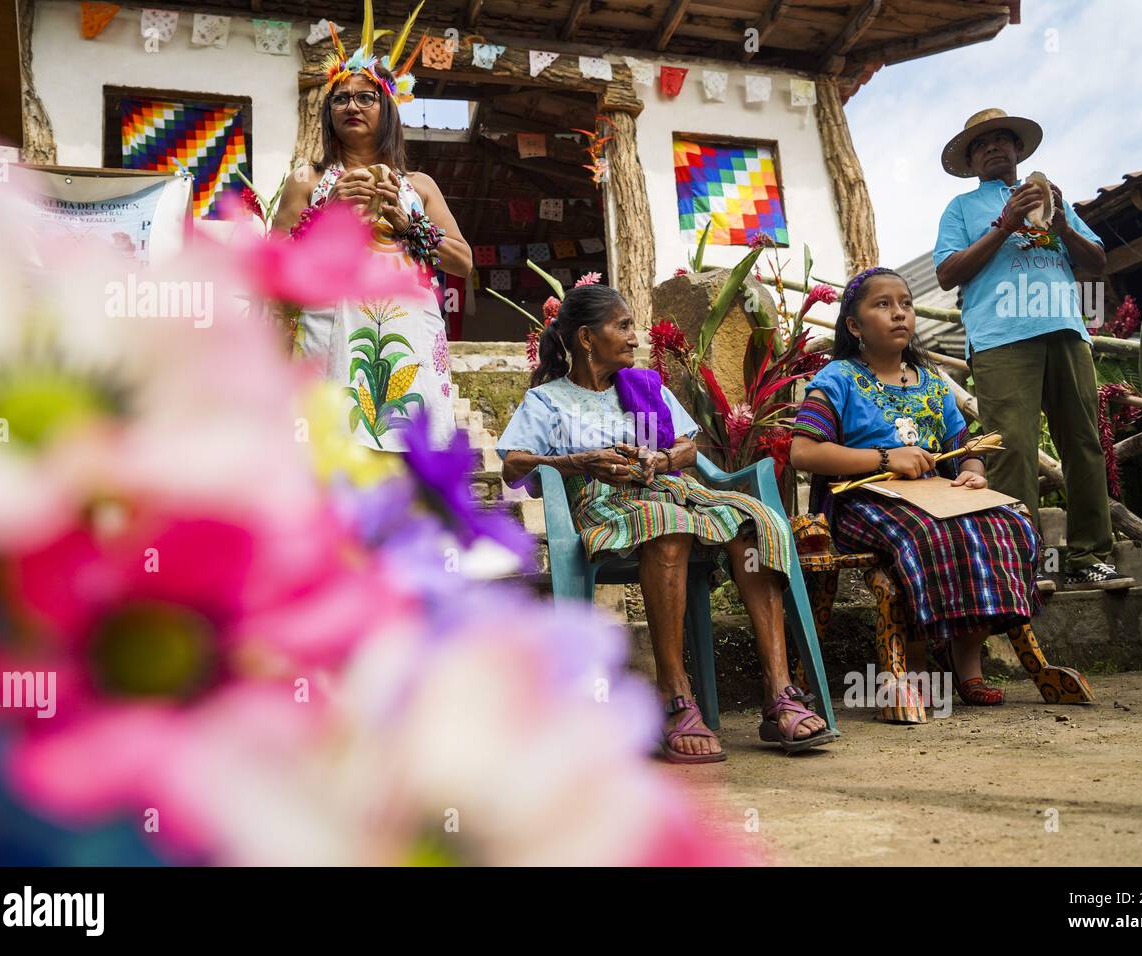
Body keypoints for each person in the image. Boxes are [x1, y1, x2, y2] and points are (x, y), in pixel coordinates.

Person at [497, 284, 830, 761]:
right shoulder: (548, 401)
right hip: (601, 501)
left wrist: (663, 454)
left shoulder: (644, 387)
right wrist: (581, 461)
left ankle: (779, 693)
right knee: (666, 526)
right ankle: (675, 696)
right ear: (587, 338)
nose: (636, 338)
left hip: (669, 490)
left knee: (755, 520)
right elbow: (513, 464)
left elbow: (689, 448)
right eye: (624, 326)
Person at [790, 267, 1041, 706]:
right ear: (854, 325)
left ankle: (968, 665)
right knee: (927, 535)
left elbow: (963, 445)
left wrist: (973, 472)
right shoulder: (837, 379)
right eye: (882, 305)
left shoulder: (932, 382)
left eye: (905, 303)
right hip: (861, 501)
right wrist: (885, 459)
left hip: (932, 496)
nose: (899, 313)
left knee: (1006, 524)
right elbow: (804, 452)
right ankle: (919, 667)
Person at [933, 108, 1133, 590]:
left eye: (1003, 140)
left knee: (1083, 443)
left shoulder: (1054, 199)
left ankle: (1090, 555)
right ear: (972, 159)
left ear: (1018, 150)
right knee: (1013, 448)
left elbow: (1097, 263)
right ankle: (1022, 562)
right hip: (1001, 339)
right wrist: (1004, 224)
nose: (994, 148)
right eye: (982, 145)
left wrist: (1062, 225)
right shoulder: (961, 209)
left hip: (1066, 329)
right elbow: (947, 273)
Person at [273, 1, 472, 453]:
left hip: (408, 337)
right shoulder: (307, 181)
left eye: (366, 97)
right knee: (332, 457)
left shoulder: (418, 186)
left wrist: (407, 224)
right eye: (340, 98)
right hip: (330, 331)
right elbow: (276, 268)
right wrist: (329, 213)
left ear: (387, 109)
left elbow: (463, 262)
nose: (352, 105)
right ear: (329, 114)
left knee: (407, 461)